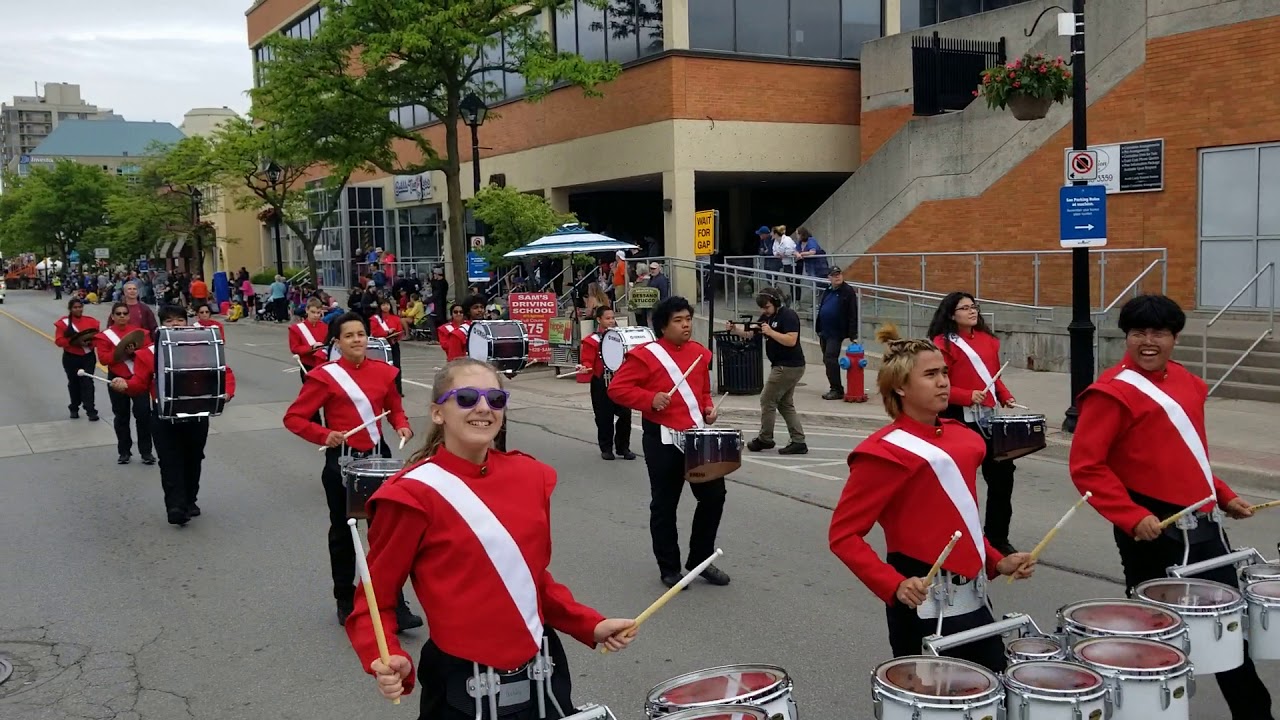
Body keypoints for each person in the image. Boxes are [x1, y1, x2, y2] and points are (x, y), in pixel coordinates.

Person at [346, 357, 637, 715]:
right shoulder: (409, 496)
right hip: (458, 680)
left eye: (496, 400)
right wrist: (386, 655)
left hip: (542, 667)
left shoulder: (530, 476)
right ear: (438, 413)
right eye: (467, 398)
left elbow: (530, 580)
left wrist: (590, 624)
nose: (484, 408)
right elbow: (374, 602)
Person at [1069, 294, 1273, 720]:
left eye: (1158, 333)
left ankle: (1254, 713)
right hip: (1151, 527)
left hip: (1204, 522)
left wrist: (1223, 493)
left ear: (1174, 337)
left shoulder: (1184, 380)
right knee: (1153, 637)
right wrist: (1131, 515)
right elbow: (1087, 467)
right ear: (1126, 337)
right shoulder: (1110, 393)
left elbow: (1190, 452)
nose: (1148, 341)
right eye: (1138, 332)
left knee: (1226, 629)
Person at [828, 324, 1035, 673]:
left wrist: (997, 561)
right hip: (920, 600)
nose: (943, 381)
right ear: (900, 386)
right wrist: (893, 584)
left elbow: (957, 520)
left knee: (993, 690)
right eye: (930, 374)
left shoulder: (961, 439)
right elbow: (843, 536)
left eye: (943, 372)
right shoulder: (882, 453)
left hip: (974, 597)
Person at [283, 311, 423, 630]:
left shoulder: (385, 372)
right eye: (349, 335)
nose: (357, 340)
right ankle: (345, 598)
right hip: (342, 461)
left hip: (378, 459)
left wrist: (401, 426)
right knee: (345, 533)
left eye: (361, 334)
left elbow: (395, 408)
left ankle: (393, 603)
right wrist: (323, 434)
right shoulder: (324, 376)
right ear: (337, 342)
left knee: (385, 534)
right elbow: (293, 418)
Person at [608, 296, 730, 589]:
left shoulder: (699, 353)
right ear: (663, 326)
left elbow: (701, 393)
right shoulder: (645, 355)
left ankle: (700, 560)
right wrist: (650, 399)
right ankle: (669, 568)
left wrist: (708, 410)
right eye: (678, 320)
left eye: (688, 318)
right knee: (665, 505)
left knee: (713, 498)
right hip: (662, 440)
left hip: (697, 438)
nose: (686, 324)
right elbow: (617, 389)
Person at [110, 305, 236, 526]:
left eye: (179, 320)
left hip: (197, 413)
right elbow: (139, 384)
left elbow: (224, 372)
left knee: (193, 459)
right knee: (169, 462)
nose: (175, 324)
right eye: (169, 321)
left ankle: (190, 500)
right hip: (163, 416)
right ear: (161, 325)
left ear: (186, 323)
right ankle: (175, 506)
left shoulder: (202, 345)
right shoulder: (148, 353)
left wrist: (226, 393)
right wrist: (125, 386)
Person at [927, 291, 1020, 555]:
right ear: (951, 314)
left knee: (1003, 476)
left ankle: (997, 538)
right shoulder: (942, 343)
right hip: (956, 417)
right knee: (958, 481)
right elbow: (939, 383)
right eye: (965, 308)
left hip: (987, 418)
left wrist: (1004, 394)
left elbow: (992, 376)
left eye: (973, 306)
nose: (972, 311)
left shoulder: (989, 341)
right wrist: (967, 396)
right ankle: (955, 536)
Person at [727, 286, 807, 455]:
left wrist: (771, 332)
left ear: (776, 303)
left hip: (788, 365)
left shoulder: (788, 316)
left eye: (767, 307)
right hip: (782, 365)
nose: (765, 311)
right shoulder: (766, 317)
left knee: (767, 399)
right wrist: (735, 329)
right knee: (785, 404)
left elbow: (791, 340)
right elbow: (752, 334)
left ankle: (765, 438)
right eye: (763, 308)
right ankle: (798, 440)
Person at [94, 302, 153, 465]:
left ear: (129, 316)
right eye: (118, 313)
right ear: (112, 316)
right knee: (121, 416)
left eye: (124, 313)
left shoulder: (140, 333)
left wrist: (135, 353)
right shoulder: (105, 336)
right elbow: (104, 360)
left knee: (143, 415)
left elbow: (149, 353)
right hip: (117, 378)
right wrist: (120, 351)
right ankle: (124, 452)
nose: (121, 316)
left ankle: (146, 452)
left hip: (138, 378)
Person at [576, 306, 635, 461]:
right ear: (599, 320)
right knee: (604, 417)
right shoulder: (591, 340)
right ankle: (606, 448)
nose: (611, 321)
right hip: (601, 382)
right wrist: (585, 367)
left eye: (612, 318)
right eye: (607, 318)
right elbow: (587, 360)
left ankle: (623, 448)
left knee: (625, 414)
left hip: (619, 381)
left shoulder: (620, 337)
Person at [814, 266, 859, 401]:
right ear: (829, 278)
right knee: (827, 360)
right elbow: (823, 307)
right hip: (824, 331)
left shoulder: (847, 291)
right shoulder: (828, 290)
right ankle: (834, 386)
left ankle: (836, 389)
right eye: (834, 275)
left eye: (839, 274)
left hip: (836, 331)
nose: (837, 277)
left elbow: (852, 313)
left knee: (830, 358)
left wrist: (853, 334)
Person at [54, 297, 100, 421]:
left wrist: (90, 344)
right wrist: (74, 342)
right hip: (71, 357)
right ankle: (74, 407)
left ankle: (91, 410)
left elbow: (98, 339)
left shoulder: (91, 321)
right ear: (70, 309)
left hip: (88, 357)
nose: (78, 309)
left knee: (88, 383)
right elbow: (59, 341)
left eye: (80, 307)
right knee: (74, 383)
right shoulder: (63, 323)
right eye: (75, 307)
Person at [370, 297, 405, 396]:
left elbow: (400, 330)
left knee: (396, 366)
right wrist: (386, 332)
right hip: (381, 346)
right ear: (380, 306)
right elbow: (374, 332)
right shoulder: (375, 319)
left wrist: (395, 334)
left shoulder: (396, 318)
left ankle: (398, 390)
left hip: (393, 344)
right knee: (382, 368)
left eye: (387, 304)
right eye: (383, 305)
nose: (386, 307)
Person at [289, 298, 331, 382]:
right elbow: (295, 348)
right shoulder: (296, 328)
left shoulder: (325, 327)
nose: (316, 315)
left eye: (318, 312)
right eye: (313, 312)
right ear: (307, 310)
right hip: (308, 366)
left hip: (324, 366)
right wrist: (311, 347)